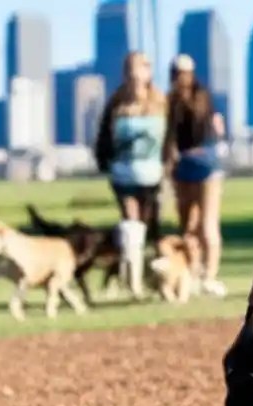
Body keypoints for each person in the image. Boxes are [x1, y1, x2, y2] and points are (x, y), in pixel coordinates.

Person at [94, 51, 169, 295]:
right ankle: (133, 282)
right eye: (130, 72)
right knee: (131, 228)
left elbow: (171, 138)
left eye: (139, 71)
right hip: (123, 174)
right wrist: (105, 163)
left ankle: (157, 281)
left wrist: (169, 164)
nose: (135, 77)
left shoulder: (161, 103)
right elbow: (104, 137)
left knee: (151, 228)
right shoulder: (116, 104)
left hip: (153, 175)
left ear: (148, 73)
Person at [166, 54, 228, 298]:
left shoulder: (201, 98)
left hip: (204, 165)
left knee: (206, 224)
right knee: (188, 225)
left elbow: (213, 130)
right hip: (187, 166)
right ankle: (193, 272)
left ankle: (208, 275)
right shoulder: (172, 101)